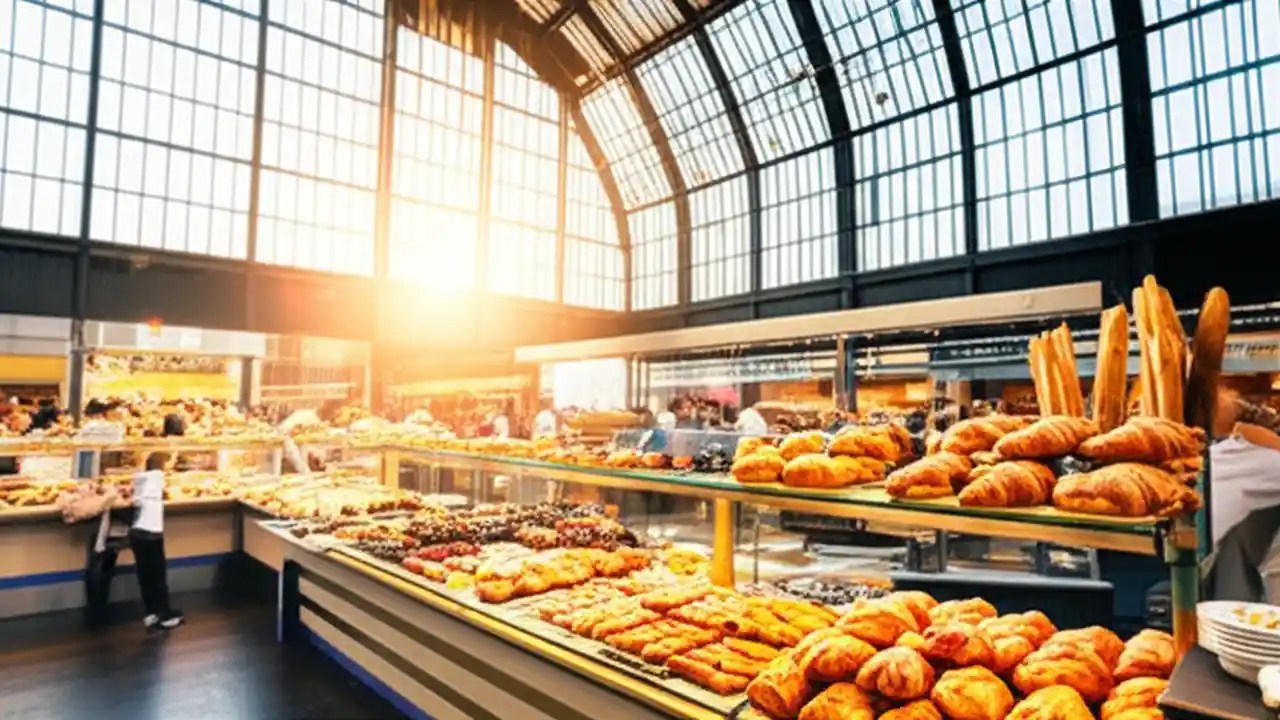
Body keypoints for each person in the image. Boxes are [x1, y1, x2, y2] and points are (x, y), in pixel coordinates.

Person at [130, 451, 183, 630]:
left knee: (145, 576)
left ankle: (151, 614)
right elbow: (163, 475)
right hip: (151, 532)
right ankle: (165, 615)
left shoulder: (140, 480)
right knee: (158, 574)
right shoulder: (156, 478)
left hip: (137, 532)